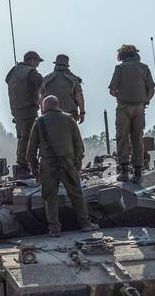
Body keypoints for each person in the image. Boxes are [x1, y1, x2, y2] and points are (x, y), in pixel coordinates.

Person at [25, 95, 100, 237]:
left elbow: (31, 151)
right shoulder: (69, 119)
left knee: (49, 197)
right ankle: (85, 224)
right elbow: (79, 145)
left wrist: (35, 169)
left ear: (44, 107)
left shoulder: (39, 122)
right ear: (57, 105)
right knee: (76, 194)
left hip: (47, 165)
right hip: (67, 163)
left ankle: (54, 229)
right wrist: (77, 164)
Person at [107, 43, 155, 182]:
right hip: (140, 108)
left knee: (122, 138)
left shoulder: (120, 68)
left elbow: (112, 90)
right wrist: (145, 101)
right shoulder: (144, 68)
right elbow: (151, 90)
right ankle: (138, 172)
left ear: (122, 56)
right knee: (137, 139)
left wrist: (120, 95)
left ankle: (123, 171)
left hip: (123, 107)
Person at [5, 50, 45, 167]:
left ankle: (24, 163)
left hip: (16, 110)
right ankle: (23, 164)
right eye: (37, 62)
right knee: (29, 137)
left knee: (22, 137)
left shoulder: (13, 71)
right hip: (28, 109)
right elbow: (39, 80)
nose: (38, 65)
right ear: (31, 60)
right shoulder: (30, 71)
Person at [41, 53, 86, 124]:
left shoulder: (46, 79)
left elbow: (42, 97)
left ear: (56, 64)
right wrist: (82, 112)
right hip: (69, 114)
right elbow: (79, 96)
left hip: (50, 115)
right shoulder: (73, 79)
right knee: (69, 135)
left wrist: (42, 113)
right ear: (67, 66)